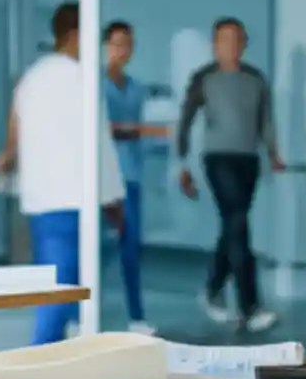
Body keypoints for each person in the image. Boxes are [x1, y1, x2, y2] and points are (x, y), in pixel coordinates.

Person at [0, 1, 129, 344]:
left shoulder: (32, 78)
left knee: (60, 281)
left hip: (41, 201)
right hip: (74, 199)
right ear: (75, 35)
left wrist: (6, 166)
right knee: (63, 286)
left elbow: (13, 139)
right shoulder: (83, 79)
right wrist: (114, 201)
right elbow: (100, 144)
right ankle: (39, 354)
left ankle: (68, 335)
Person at [178, 17, 285, 333]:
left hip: (248, 159)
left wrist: (273, 154)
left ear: (244, 43)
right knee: (238, 224)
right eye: (224, 40)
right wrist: (182, 165)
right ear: (215, 44)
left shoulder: (256, 79)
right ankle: (250, 307)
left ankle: (212, 289)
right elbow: (185, 121)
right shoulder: (203, 78)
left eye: (237, 39)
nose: (231, 46)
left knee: (233, 227)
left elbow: (265, 121)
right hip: (218, 159)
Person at [101, 20, 168, 335]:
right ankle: (77, 315)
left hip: (130, 177)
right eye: (117, 44)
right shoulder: (95, 85)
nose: (122, 50)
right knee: (93, 249)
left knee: (131, 248)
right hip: (100, 178)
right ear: (105, 47)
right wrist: (136, 130)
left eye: (128, 44)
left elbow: (142, 132)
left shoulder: (138, 88)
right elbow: (100, 129)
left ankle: (136, 317)